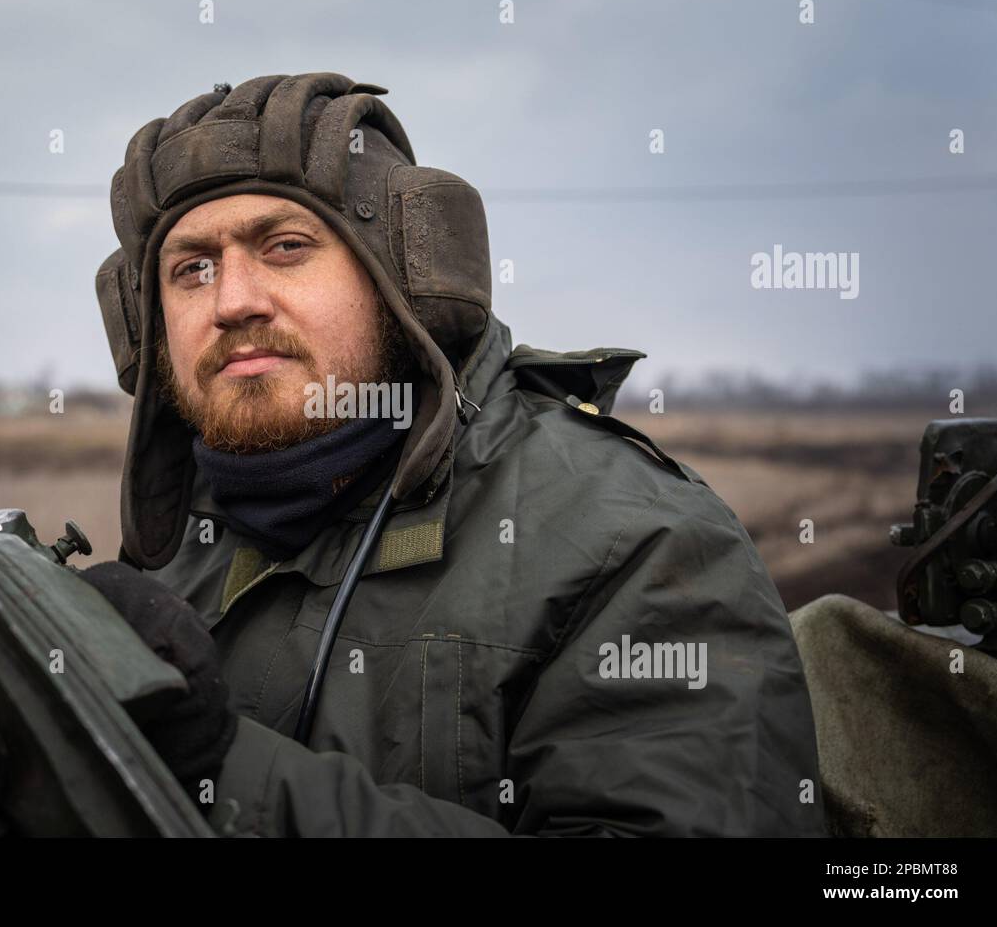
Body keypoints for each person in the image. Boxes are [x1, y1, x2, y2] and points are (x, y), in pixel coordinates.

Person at [88, 71, 826, 837]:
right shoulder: (176, 554)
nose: (233, 299)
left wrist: (222, 770)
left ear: (403, 281)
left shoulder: (631, 540)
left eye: (285, 247)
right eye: (191, 269)